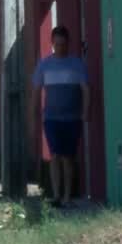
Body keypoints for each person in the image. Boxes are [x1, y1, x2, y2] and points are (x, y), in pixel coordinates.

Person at [30, 26, 89, 208]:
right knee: (55, 155)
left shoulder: (76, 64)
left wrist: (85, 111)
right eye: (56, 44)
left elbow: (86, 89)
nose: (59, 48)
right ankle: (56, 195)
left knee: (68, 157)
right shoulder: (44, 65)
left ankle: (66, 196)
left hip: (72, 118)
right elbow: (36, 89)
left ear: (68, 44)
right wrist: (34, 112)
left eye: (62, 44)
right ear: (52, 44)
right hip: (51, 118)